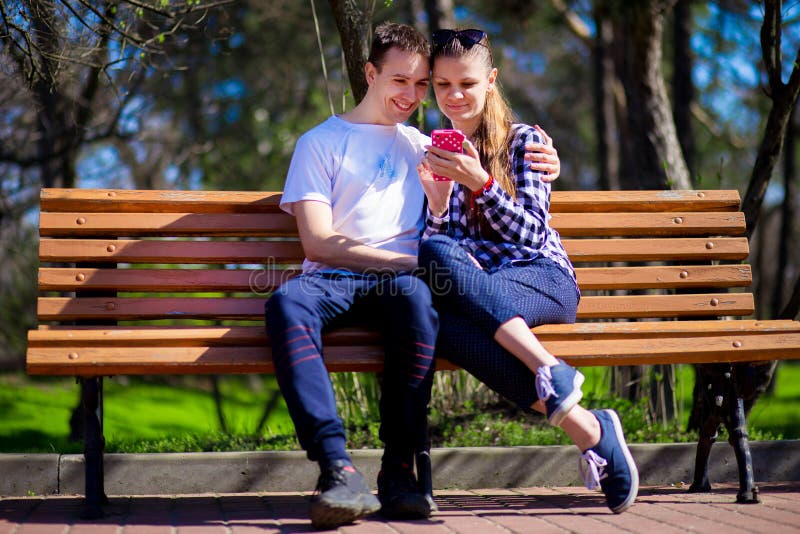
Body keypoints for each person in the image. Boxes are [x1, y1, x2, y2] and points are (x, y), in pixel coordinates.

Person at [265, 23, 561, 529]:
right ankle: (336, 468)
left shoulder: (426, 145)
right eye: (399, 80)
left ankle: (401, 473)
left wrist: (551, 158)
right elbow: (317, 242)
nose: (411, 94)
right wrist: (412, 265)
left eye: (422, 84)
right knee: (286, 303)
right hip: (335, 277)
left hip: (402, 289)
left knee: (417, 305)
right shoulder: (320, 142)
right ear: (370, 73)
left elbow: (498, 166)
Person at [416, 28, 639, 514]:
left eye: (467, 83)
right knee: (438, 287)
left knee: (454, 309)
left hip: (542, 277)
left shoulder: (525, 142)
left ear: (491, 80)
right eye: (443, 84)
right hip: (483, 293)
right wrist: (437, 204)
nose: (454, 96)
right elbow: (445, 256)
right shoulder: (433, 153)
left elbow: (534, 235)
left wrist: (481, 184)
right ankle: (587, 424)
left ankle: (550, 373)